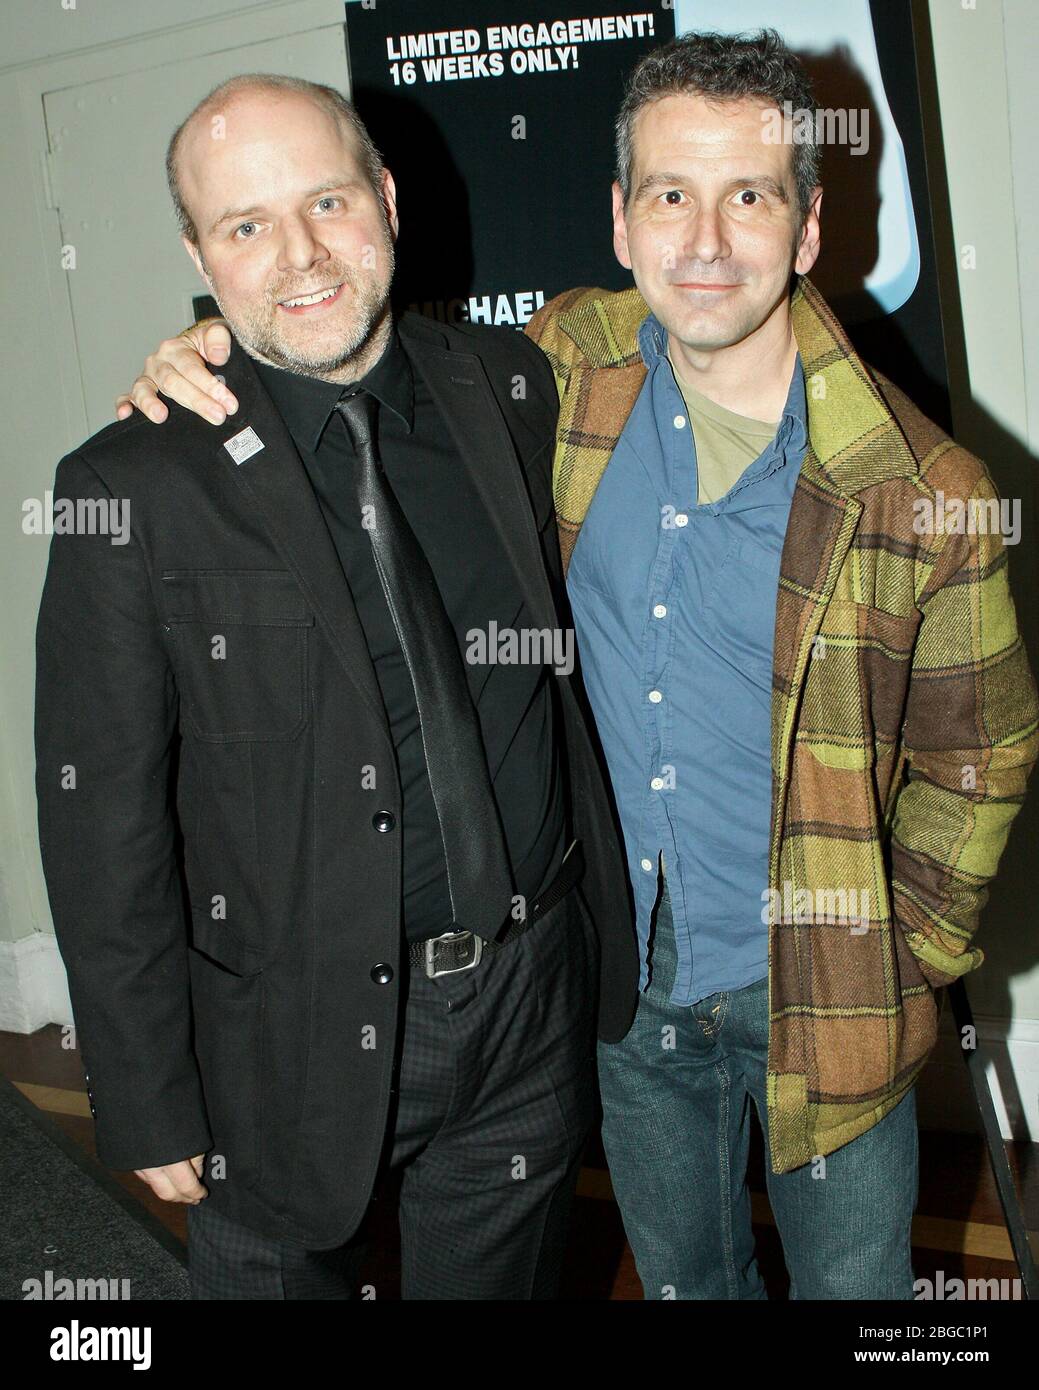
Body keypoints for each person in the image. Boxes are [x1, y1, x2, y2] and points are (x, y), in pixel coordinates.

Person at [117, 31, 1039, 1301]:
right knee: (685, 1288)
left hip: (825, 1000)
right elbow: (335, 339)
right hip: (619, 997)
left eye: (750, 196)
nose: (705, 240)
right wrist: (193, 348)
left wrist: (901, 954)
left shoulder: (925, 491)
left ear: (808, 228)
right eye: (670, 194)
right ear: (619, 217)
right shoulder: (552, 374)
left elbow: (981, 752)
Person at [34, 72, 637, 1302]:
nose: (297, 254)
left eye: (326, 202)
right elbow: (101, 821)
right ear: (198, 250)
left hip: (527, 993)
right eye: (244, 224)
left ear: (389, 199)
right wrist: (143, 1095)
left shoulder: (511, 388)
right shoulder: (134, 481)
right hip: (286, 1035)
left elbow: (707, 307)